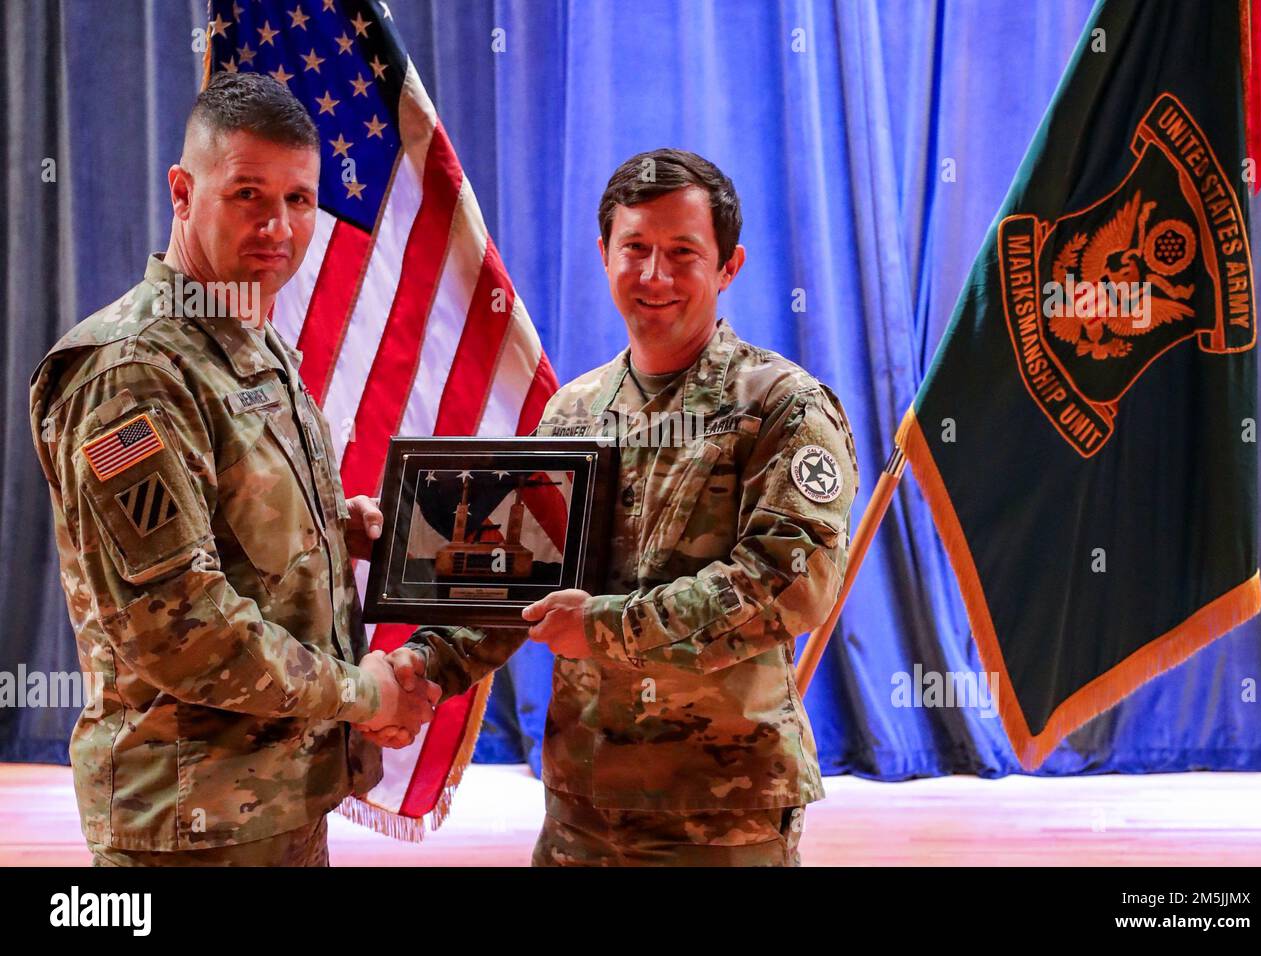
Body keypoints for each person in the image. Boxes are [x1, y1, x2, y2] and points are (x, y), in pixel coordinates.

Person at [387, 148, 859, 866]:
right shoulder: (571, 412)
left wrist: (604, 626)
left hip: (720, 811)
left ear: (729, 267)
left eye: (683, 253)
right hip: (581, 803)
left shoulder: (781, 406)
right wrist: (425, 665)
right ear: (603, 253)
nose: (654, 276)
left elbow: (788, 585)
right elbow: (518, 581)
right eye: (635, 248)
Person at [27, 73, 435, 867]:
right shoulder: (133, 372)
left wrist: (334, 528)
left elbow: (230, 522)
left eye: (299, 200)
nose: (278, 227)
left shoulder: (247, 338)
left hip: (278, 801)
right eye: (248, 194)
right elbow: (180, 628)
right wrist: (365, 694)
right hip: (190, 825)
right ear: (183, 192)